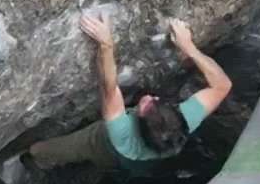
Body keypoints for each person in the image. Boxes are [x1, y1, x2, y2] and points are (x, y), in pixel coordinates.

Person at [28, 13, 232, 173]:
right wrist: (189, 47)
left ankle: (39, 159)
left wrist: (106, 44)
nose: (150, 97)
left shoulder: (121, 132)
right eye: (157, 101)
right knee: (119, 165)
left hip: (107, 145)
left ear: (137, 124)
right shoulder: (181, 123)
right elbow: (222, 85)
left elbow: (109, 85)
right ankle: (107, 169)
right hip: (135, 161)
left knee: (54, 149)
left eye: (146, 106)